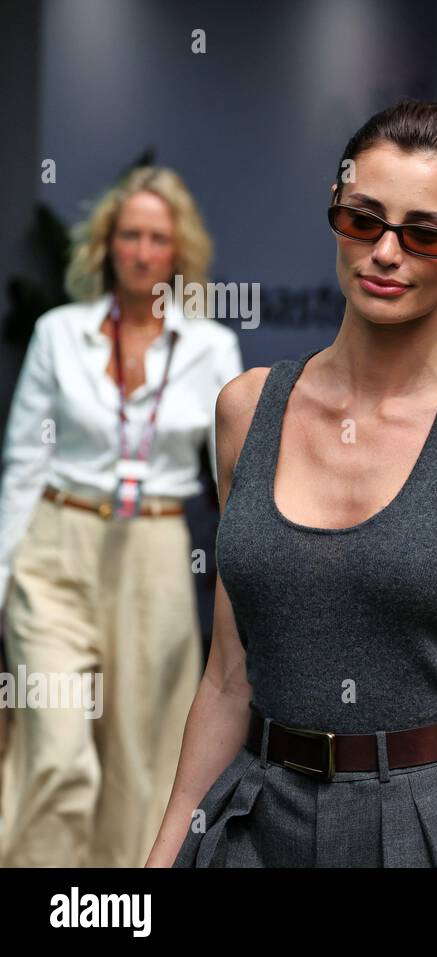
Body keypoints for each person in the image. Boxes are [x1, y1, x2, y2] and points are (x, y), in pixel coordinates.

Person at [149, 99, 437, 868]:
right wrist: (159, 862)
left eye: (424, 232)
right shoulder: (246, 409)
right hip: (254, 820)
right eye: (363, 220)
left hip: (426, 825)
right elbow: (228, 679)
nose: (385, 253)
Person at [0, 166, 244, 867]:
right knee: (57, 751)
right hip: (56, 548)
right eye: (129, 235)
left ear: (179, 252)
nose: (142, 251)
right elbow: (23, 463)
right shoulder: (58, 333)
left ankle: (119, 908)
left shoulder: (210, 347)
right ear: (106, 245)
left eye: (157, 238)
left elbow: (234, 482)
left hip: (159, 555)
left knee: (144, 762)